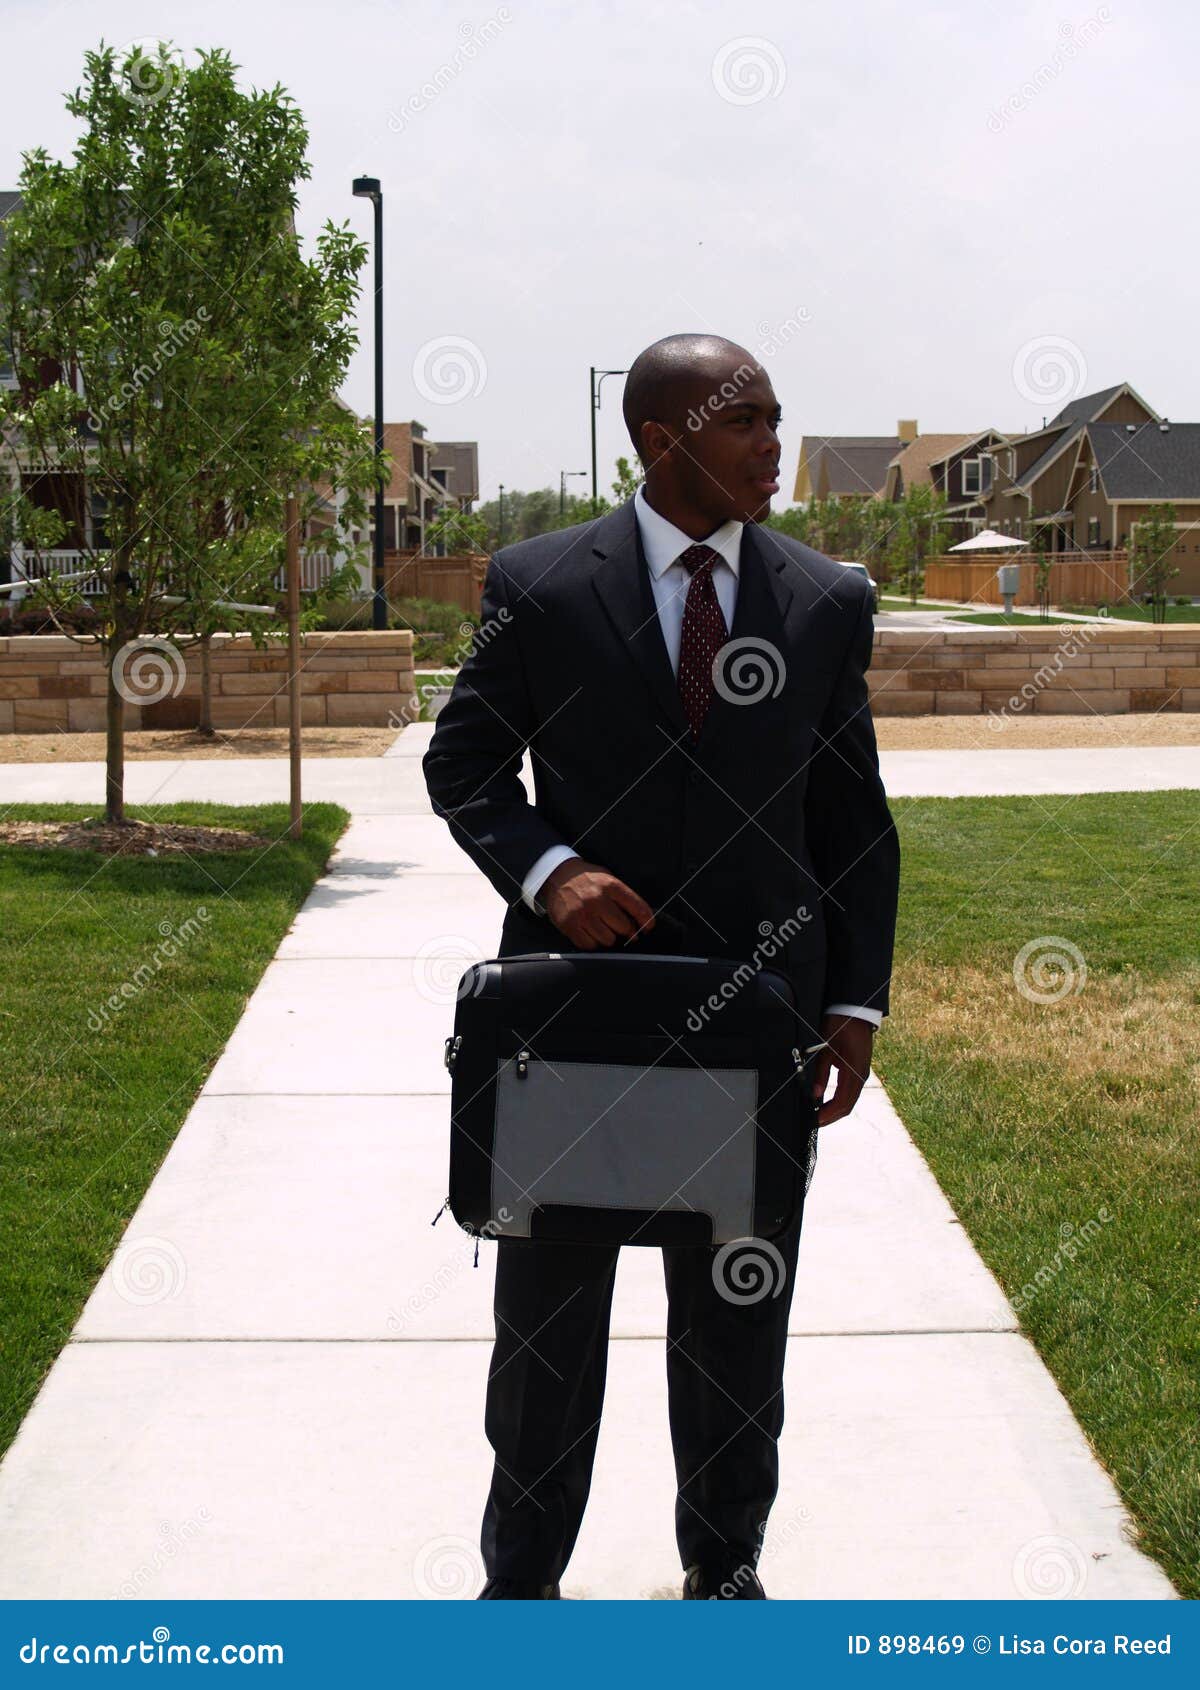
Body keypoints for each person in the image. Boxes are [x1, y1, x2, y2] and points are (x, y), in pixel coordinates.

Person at [423, 333, 900, 1599]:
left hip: (758, 1026)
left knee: (739, 1322)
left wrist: (852, 1002)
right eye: (746, 422)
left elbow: (852, 818)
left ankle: (725, 1572)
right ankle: (519, 1586)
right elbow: (460, 768)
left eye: (775, 420)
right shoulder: (540, 585)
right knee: (548, 1329)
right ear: (663, 437)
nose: (772, 447)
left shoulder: (823, 599)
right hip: (576, 1031)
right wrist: (549, 870)